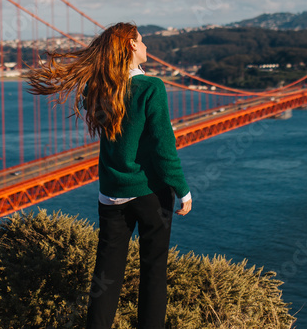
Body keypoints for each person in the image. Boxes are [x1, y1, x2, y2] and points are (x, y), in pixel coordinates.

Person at [26, 22, 192, 329]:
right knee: (154, 271)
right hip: (150, 194)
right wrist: (182, 189)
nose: (147, 48)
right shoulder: (150, 88)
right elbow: (162, 146)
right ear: (130, 46)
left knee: (106, 275)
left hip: (111, 194)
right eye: (142, 42)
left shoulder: (97, 89)